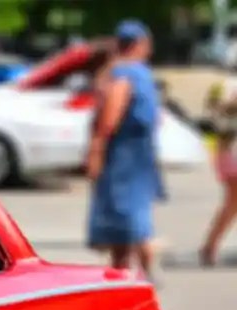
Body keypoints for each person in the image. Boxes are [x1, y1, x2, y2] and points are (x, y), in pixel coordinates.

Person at [85, 20, 165, 281]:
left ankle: (134, 270)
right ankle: (135, 269)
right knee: (131, 213)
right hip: (133, 155)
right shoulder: (137, 73)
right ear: (139, 44)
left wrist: (95, 150)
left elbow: (108, 117)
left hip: (125, 156)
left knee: (124, 215)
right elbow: (114, 118)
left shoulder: (121, 73)